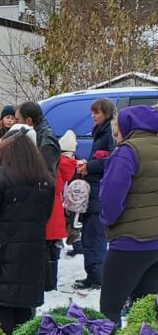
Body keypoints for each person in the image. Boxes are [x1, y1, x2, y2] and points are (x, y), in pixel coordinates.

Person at [0, 127, 54, 334]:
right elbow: (44, 217)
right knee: (24, 318)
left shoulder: (0, 176)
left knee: (2, 315)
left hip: (2, 253)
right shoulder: (45, 180)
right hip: (33, 255)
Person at [99, 106, 158, 323]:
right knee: (146, 310)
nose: (116, 137)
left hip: (130, 242)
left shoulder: (127, 152)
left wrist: (109, 221)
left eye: (117, 132)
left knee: (110, 308)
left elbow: (111, 198)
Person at [74, 97, 115, 291]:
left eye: (96, 112)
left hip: (99, 193)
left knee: (95, 236)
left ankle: (97, 276)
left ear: (106, 113)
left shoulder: (109, 134)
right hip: (93, 192)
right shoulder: (100, 132)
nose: (93, 116)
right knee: (88, 236)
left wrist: (89, 166)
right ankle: (92, 274)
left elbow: (111, 161)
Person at [44, 129, 78, 291]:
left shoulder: (54, 164)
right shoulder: (69, 165)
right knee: (54, 250)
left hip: (48, 209)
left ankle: (45, 282)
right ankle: (52, 283)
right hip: (57, 210)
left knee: (44, 248)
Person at [16, 100, 60, 175]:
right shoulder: (36, 134)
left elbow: (46, 176)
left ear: (28, 121)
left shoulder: (46, 142)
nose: (15, 124)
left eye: (17, 120)